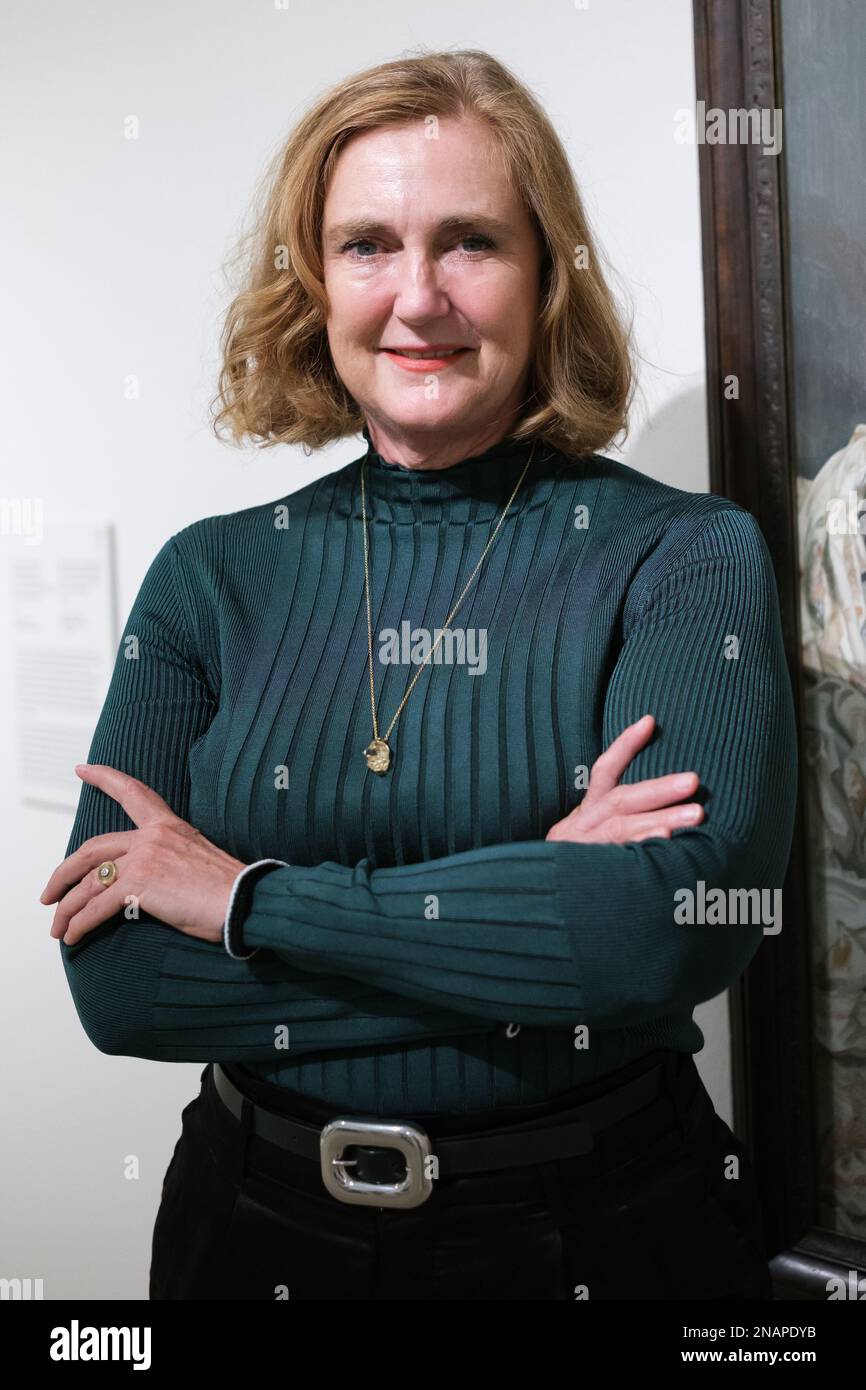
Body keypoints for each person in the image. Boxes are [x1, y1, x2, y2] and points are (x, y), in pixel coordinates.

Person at [42, 48, 797, 1300]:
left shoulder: (680, 555)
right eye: (365, 246)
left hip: (598, 1231)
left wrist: (244, 902)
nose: (417, 297)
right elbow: (120, 984)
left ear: (546, 274)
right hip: (248, 1224)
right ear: (313, 282)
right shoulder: (209, 577)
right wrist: (538, 908)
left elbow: (666, 936)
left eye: (469, 242)